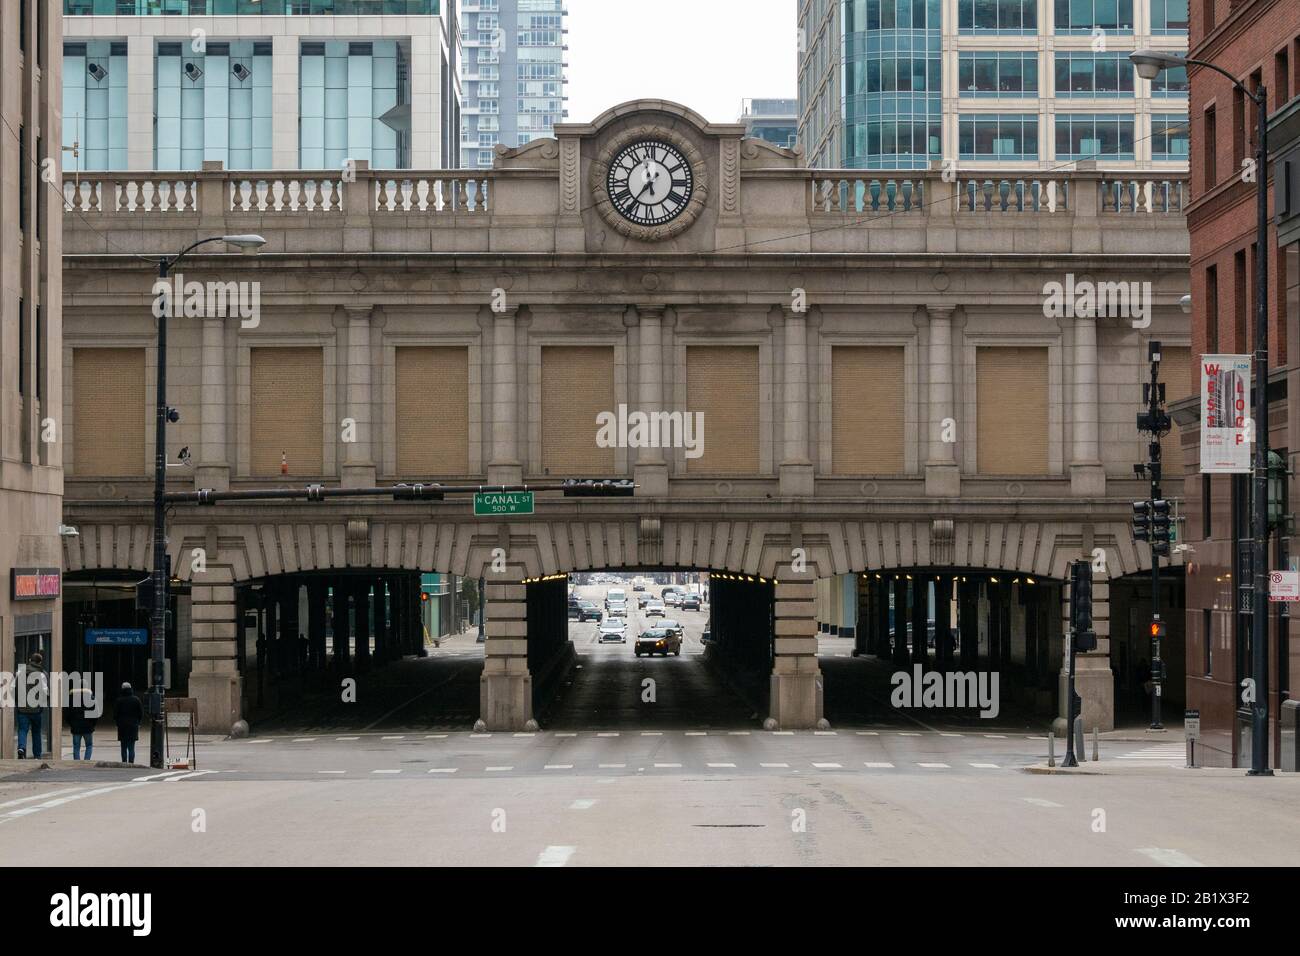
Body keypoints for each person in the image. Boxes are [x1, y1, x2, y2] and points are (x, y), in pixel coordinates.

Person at [15, 652, 47, 759]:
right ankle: (37, 755)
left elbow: (12, 688)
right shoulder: (41, 674)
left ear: (29, 660)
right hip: (36, 709)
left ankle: (21, 748)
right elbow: (45, 691)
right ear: (40, 662)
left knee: (22, 729)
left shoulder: (20, 672)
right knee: (36, 731)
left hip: (22, 707)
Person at [114, 682, 144, 765]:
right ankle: (131, 763)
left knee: (123, 746)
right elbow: (141, 713)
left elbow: (115, 714)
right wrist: (138, 722)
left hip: (122, 726)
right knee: (131, 747)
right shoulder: (136, 699)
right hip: (133, 726)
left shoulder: (119, 700)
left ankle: (124, 762)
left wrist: (117, 723)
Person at [66, 685, 98, 761]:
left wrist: (71, 724)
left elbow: (66, 713)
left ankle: (77, 763)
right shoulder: (91, 698)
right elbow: (96, 713)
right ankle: (86, 762)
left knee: (76, 746)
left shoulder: (71, 699)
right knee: (89, 745)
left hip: (76, 727)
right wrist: (93, 724)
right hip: (88, 727)